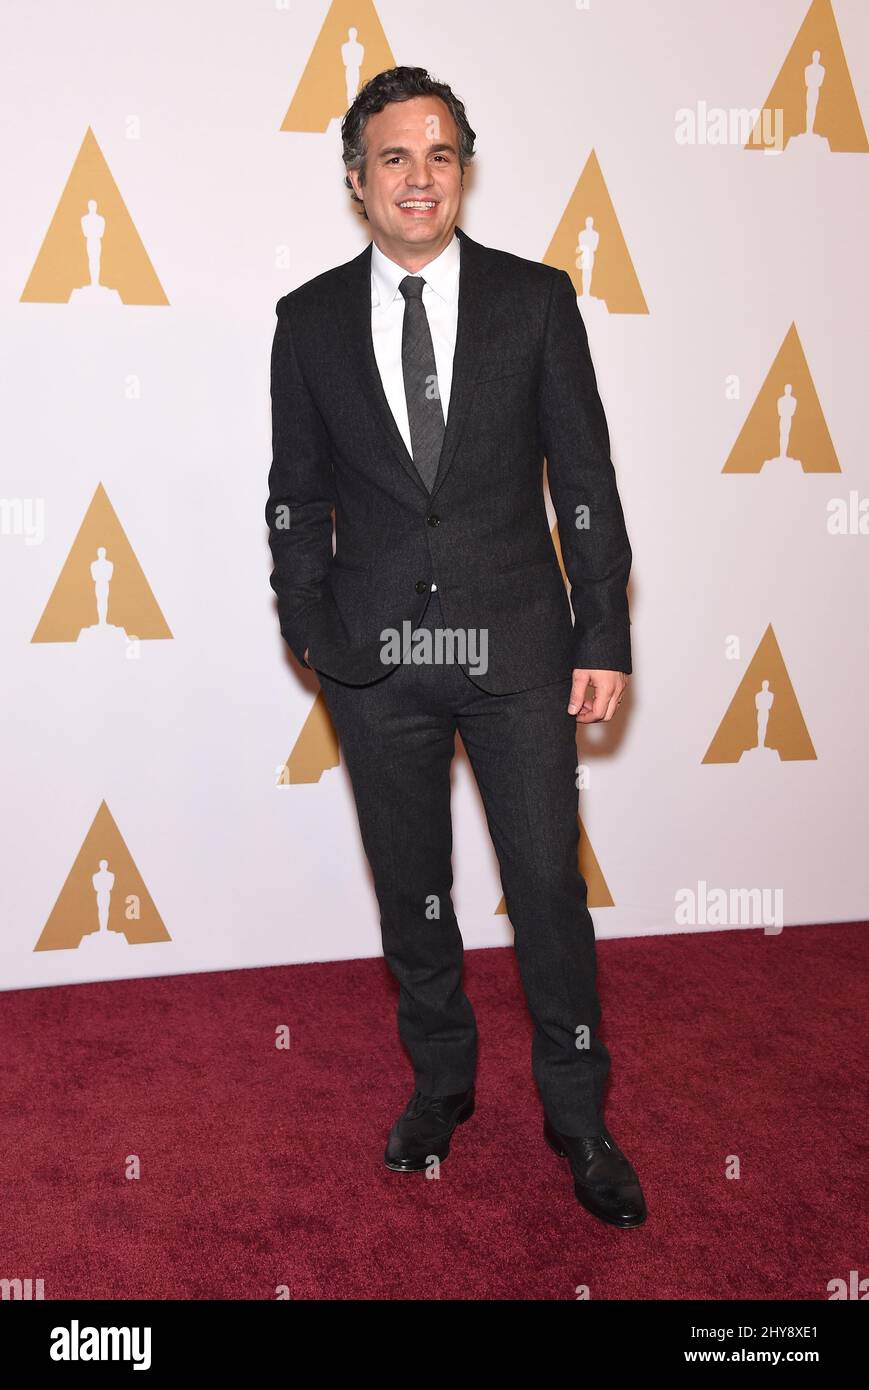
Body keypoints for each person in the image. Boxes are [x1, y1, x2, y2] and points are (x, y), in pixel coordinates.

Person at [265, 66, 645, 1228]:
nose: (417, 176)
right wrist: (312, 630)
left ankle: (578, 1115)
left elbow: (582, 480)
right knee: (414, 896)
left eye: (438, 155)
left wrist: (602, 629)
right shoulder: (309, 319)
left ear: (460, 170)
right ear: (354, 179)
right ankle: (440, 1084)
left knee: (544, 889)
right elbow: (295, 493)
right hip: (376, 662)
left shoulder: (536, 301)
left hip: (519, 648)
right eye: (393, 157)